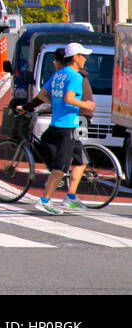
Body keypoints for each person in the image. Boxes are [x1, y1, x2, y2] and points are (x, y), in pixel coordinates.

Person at [14, 42, 97, 215]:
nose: (85, 59)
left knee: (81, 160)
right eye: (83, 56)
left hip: (59, 124)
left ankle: (71, 197)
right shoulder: (75, 76)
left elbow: (42, 95)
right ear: (75, 57)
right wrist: (86, 105)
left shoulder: (59, 74)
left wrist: (54, 103)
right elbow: (69, 98)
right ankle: (44, 201)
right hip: (69, 125)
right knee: (61, 168)